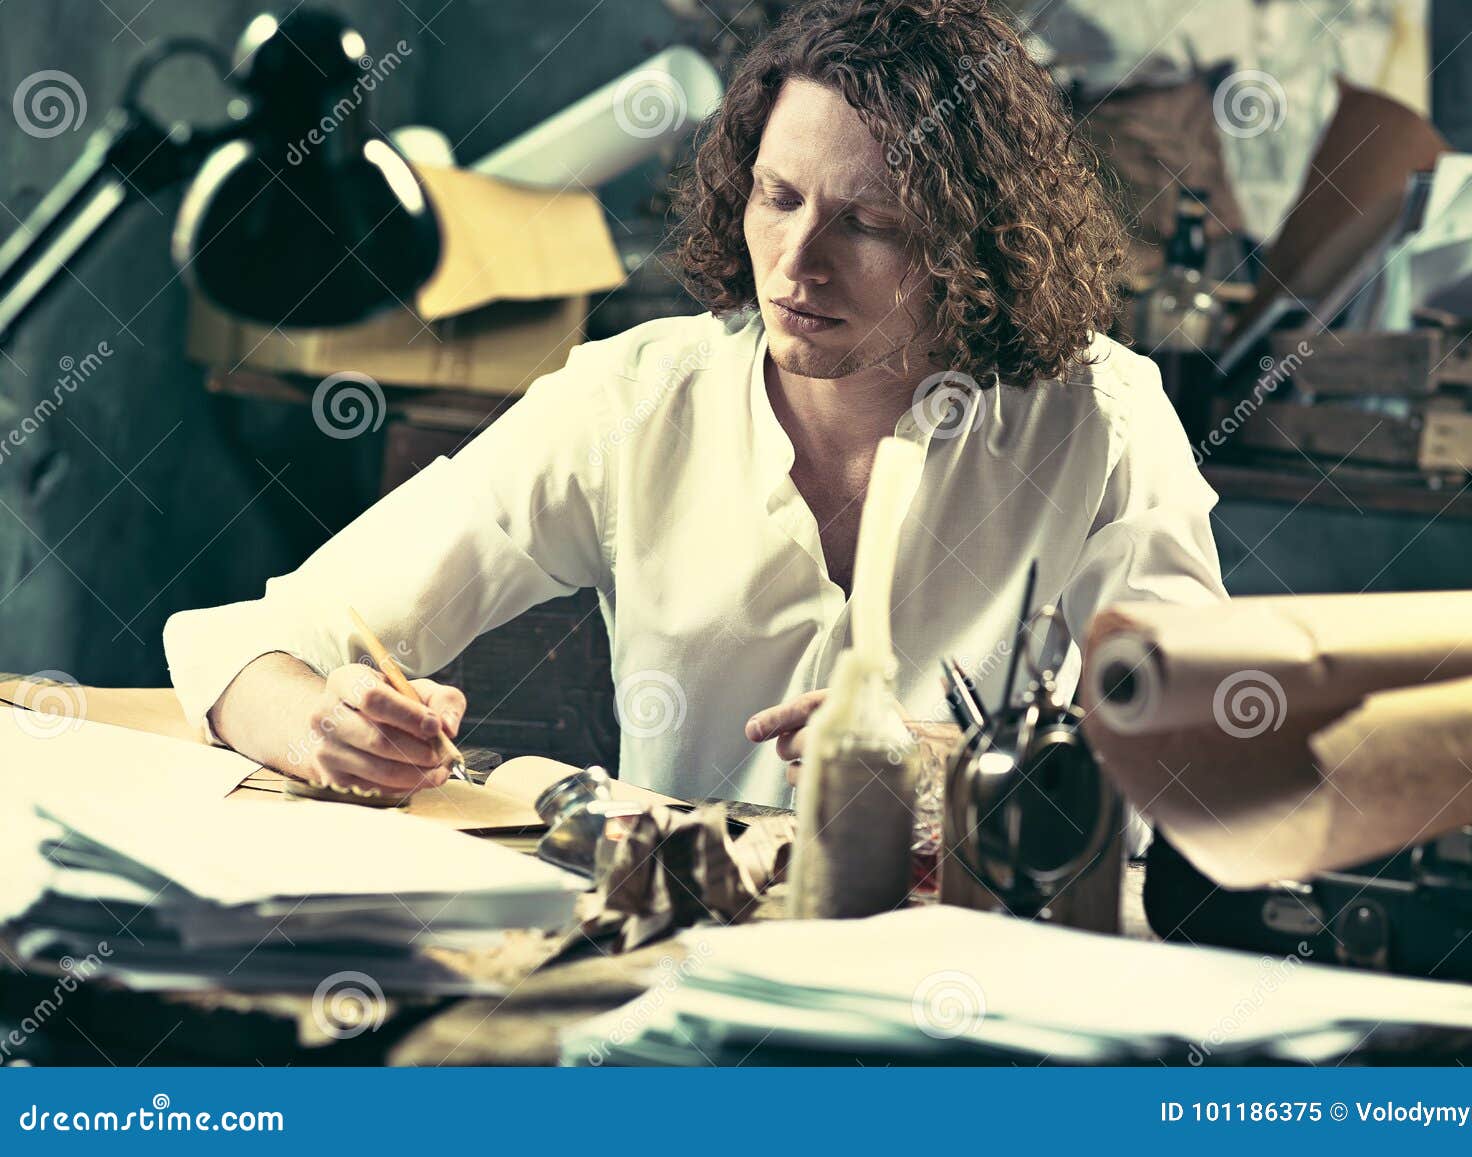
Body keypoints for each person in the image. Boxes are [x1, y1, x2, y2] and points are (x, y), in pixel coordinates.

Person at [163, 0, 1226, 809]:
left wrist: (956, 768)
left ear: (967, 243)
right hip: (679, 977)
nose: (799, 263)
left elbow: (1202, 753)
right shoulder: (636, 399)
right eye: (779, 197)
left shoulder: (1102, 420)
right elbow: (246, 641)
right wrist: (322, 725)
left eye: (870, 223)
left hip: (983, 993)